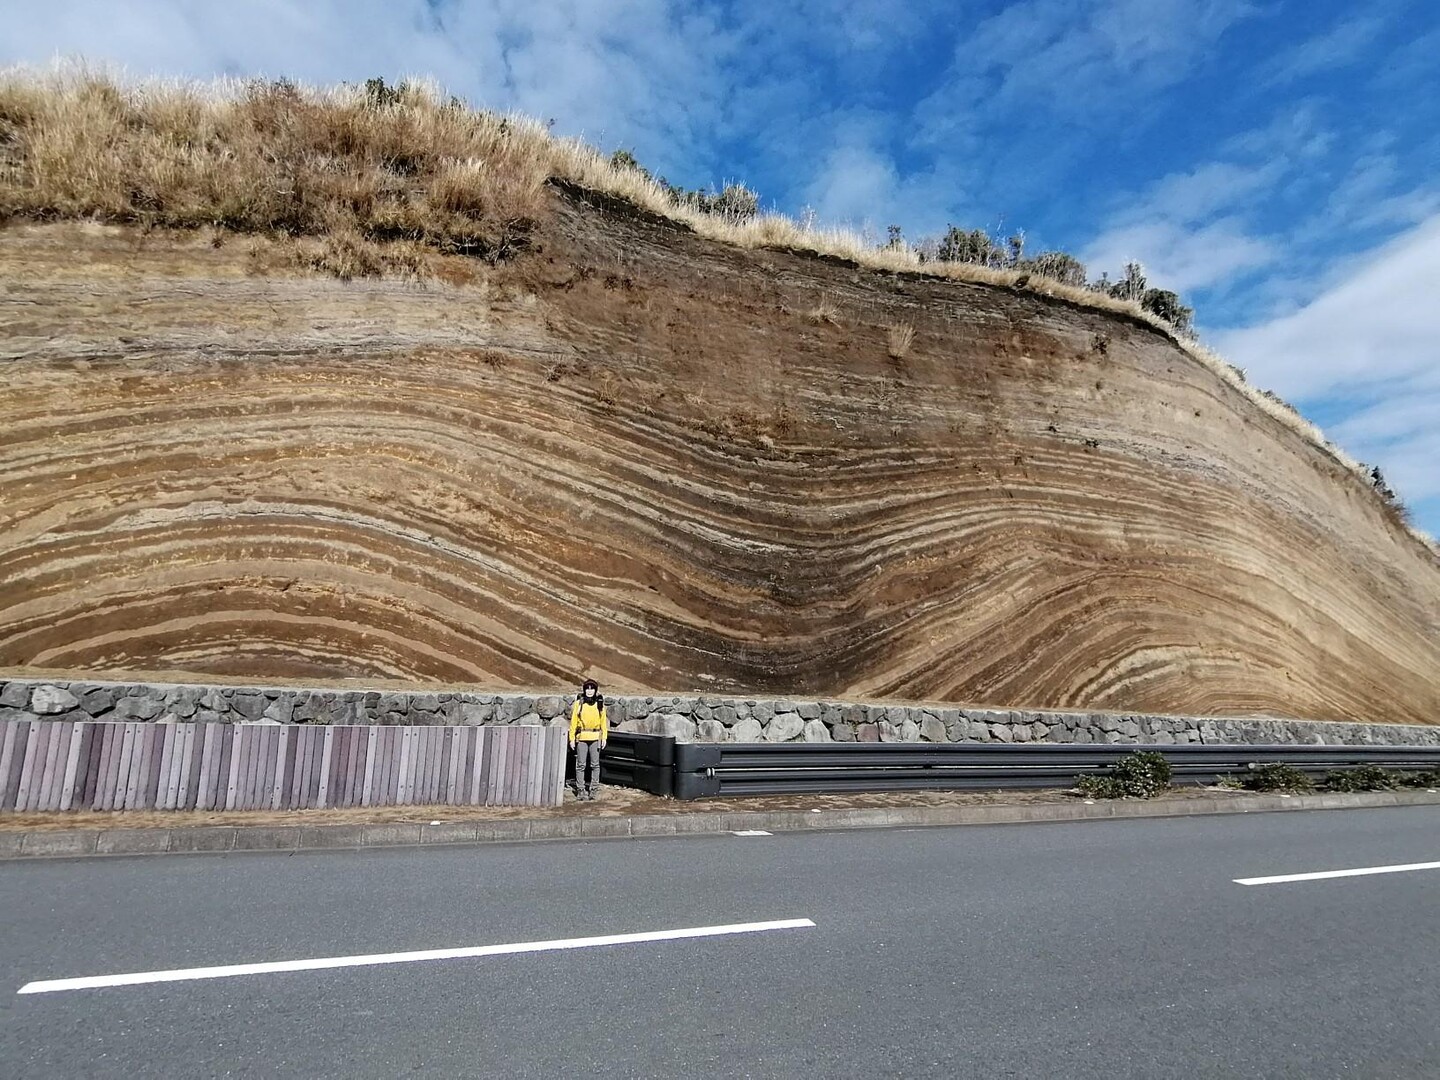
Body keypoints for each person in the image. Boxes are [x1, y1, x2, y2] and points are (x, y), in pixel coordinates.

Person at [569, 678, 608, 800]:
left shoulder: (600, 704)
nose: (589, 691)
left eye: (592, 688)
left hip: (595, 737)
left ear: (595, 690)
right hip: (582, 737)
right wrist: (571, 738)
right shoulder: (578, 704)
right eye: (587, 688)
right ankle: (580, 789)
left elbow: (603, 723)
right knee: (580, 765)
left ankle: (593, 789)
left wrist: (604, 737)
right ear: (584, 690)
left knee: (595, 765)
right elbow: (573, 722)